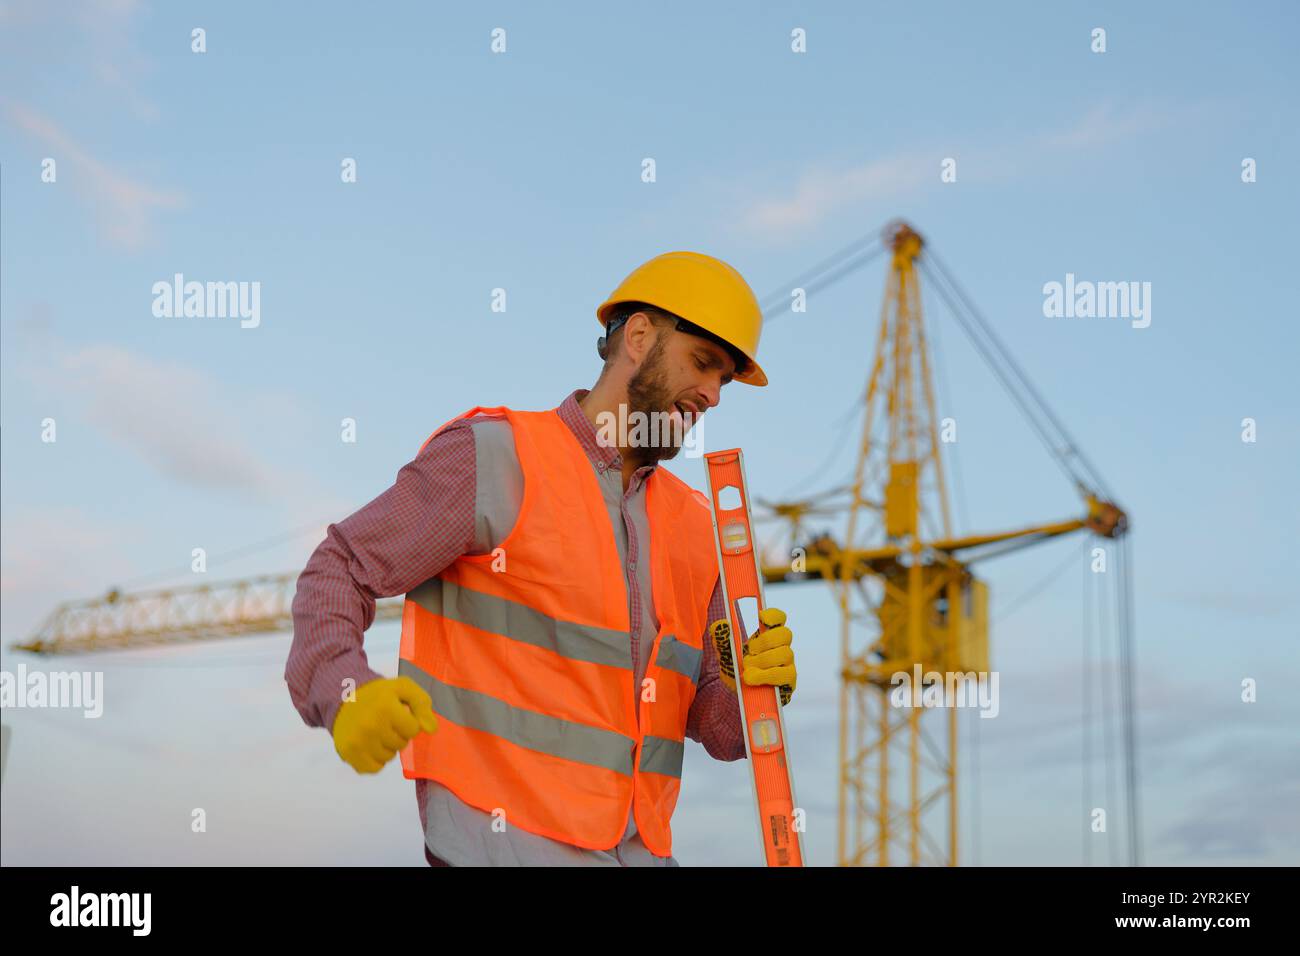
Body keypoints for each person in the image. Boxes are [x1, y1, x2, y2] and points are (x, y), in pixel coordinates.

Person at [285, 251, 799, 866]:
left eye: (725, 380)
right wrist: (345, 692)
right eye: (703, 363)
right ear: (638, 336)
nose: (714, 395)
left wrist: (752, 689)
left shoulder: (694, 526)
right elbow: (338, 567)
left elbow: (715, 725)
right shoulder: (497, 458)